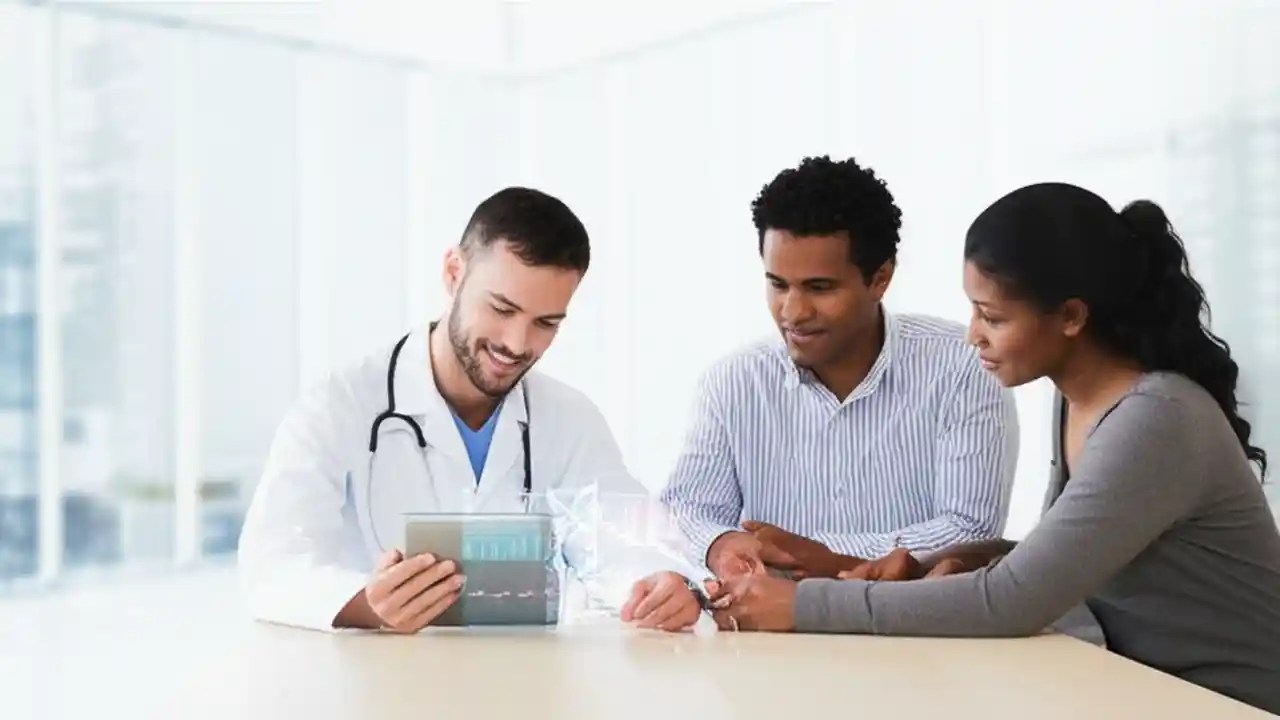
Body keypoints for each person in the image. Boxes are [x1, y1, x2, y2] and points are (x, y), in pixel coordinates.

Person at [707, 182, 1280, 714]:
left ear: (1072, 317)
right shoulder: (1083, 401)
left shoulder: (1155, 421)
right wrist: (928, 565)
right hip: (1134, 689)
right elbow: (1060, 555)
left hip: (1222, 704)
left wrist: (801, 607)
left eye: (992, 316)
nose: (972, 335)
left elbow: (1011, 600)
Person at [239, 187, 703, 634]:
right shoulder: (337, 408)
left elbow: (631, 538)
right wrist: (368, 602)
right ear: (454, 272)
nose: (517, 344)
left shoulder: (569, 420)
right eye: (502, 309)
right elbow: (272, 563)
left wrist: (663, 582)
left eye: (545, 323)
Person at [660, 155, 1017, 581]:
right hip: (767, 639)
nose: (792, 312)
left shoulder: (964, 366)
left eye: (819, 288)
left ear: (880, 279)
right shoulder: (732, 382)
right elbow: (687, 512)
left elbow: (969, 529)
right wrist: (720, 545)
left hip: (913, 637)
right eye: (777, 284)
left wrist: (819, 554)